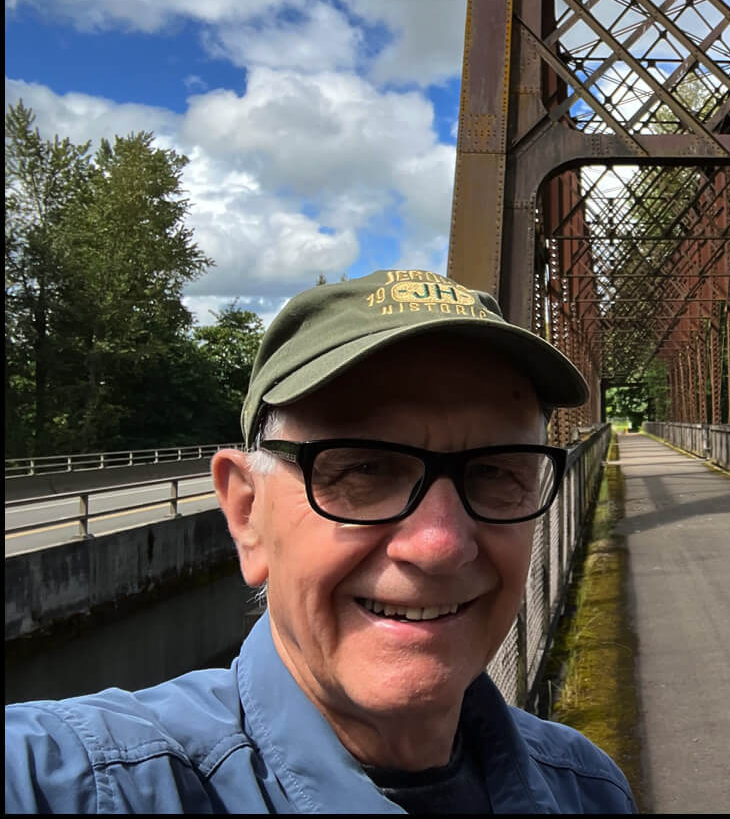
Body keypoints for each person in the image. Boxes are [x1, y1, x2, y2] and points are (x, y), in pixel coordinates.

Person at [6, 269, 636, 813]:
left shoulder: (590, 787)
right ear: (248, 514)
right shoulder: (89, 783)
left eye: (498, 471)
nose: (441, 544)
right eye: (363, 469)